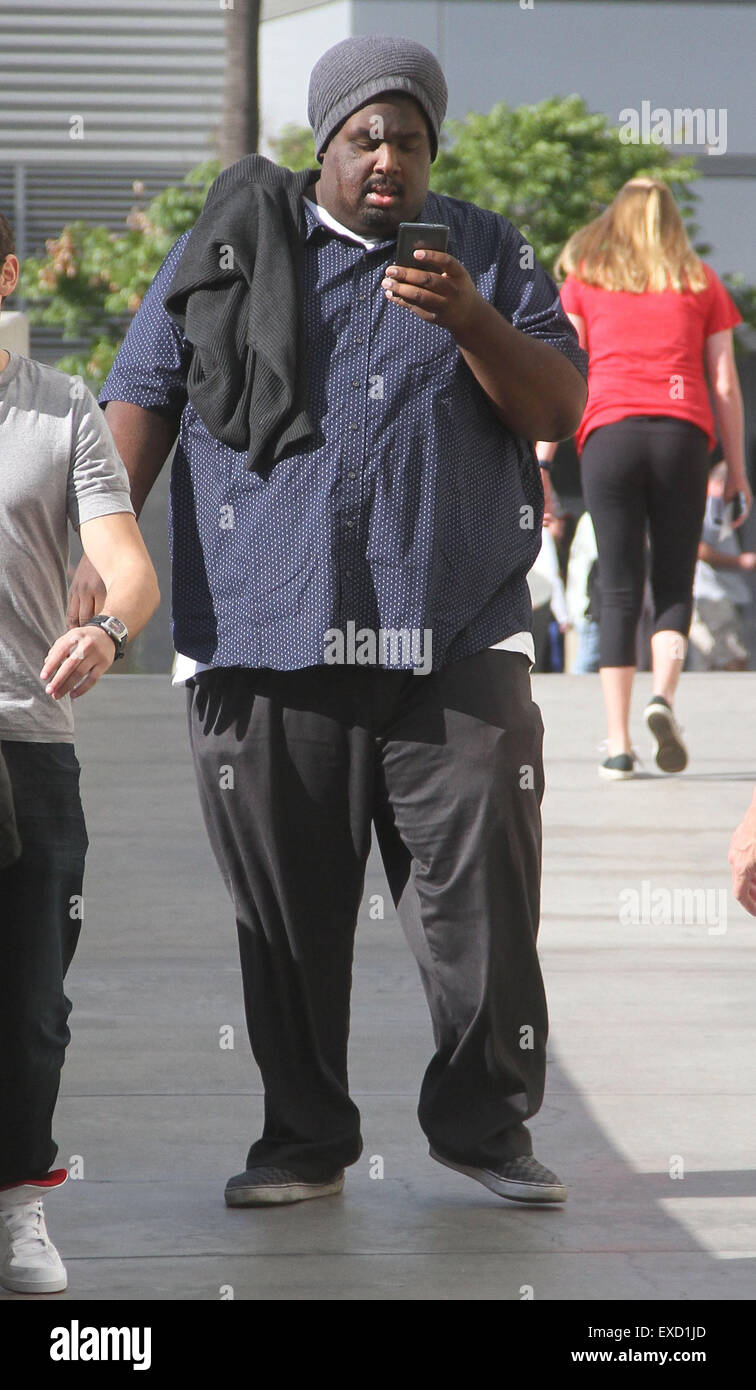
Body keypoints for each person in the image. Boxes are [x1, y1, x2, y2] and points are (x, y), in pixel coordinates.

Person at [69, 35, 587, 1207]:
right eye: (366, 137)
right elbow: (136, 406)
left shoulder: (486, 252)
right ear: (326, 143)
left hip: (453, 636)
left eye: (408, 137)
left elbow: (560, 403)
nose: (388, 158)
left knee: (485, 895)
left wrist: (470, 322)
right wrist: (89, 569)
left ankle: (486, 1125)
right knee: (289, 913)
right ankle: (303, 1141)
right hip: (265, 635)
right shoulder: (231, 246)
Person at [0, 214, 160, 1293]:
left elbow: (127, 565)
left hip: (24, 738)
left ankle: (17, 1204)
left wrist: (104, 630)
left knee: (29, 1006)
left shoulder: (58, 409)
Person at [536, 178, 751, 778]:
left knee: (619, 587)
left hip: (610, 437)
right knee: (675, 581)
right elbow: (726, 385)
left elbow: (565, 370)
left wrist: (543, 460)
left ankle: (617, 744)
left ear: (616, 219)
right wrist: (735, 470)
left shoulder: (587, 281)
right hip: (683, 437)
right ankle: (663, 699)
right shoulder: (700, 282)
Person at [687, 461, 756, 671]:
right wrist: (740, 561)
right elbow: (699, 549)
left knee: (707, 658)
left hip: (711, 593)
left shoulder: (712, 504)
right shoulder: (712, 504)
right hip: (714, 594)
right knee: (733, 659)